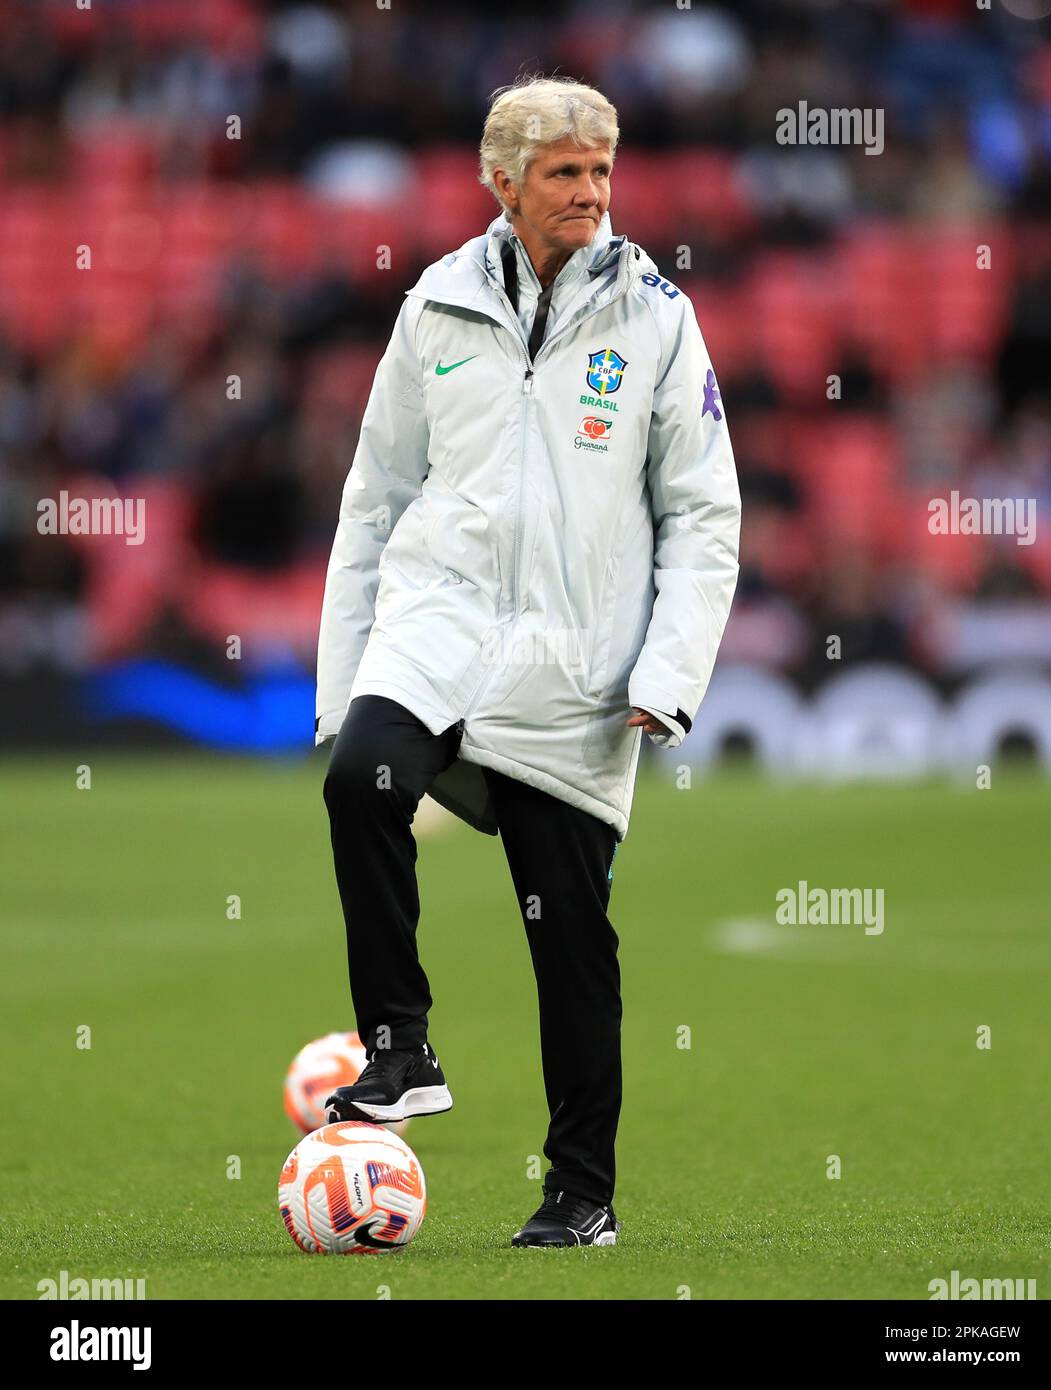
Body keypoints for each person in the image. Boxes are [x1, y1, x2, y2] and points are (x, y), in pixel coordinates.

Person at [315, 76, 741, 1247]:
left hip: (580, 663)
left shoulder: (656, 315)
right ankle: (398, 1045)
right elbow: (375, 495)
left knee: (568, 946)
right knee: (361, 778)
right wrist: (341, 676)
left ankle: (578, 1193)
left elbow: (705, 512)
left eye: (600, 171)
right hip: (438, 622)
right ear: (502, 182)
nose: (589, 194)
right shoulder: (436, 304)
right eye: (564, 173)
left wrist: (666, 675)